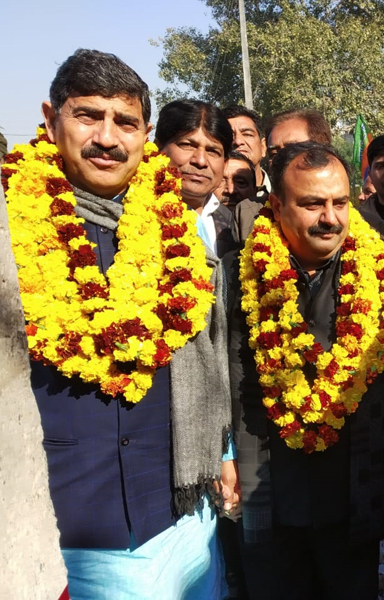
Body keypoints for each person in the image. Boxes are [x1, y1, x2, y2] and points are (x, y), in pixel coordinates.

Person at [4, 48, 237, 599]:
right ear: (49, 118)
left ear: (145, 133)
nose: (108, 138)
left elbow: (214, 346)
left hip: (183, 508)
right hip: (69, 526)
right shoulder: (12, 229)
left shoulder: (179, 232)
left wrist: (223, 456)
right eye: (88, 115)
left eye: (125, 122)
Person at [229, 141, 384, 598]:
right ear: (277, 205)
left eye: (340, 202)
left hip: (356, 485)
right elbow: (228, 376)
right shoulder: (240, 275)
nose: (331, 218)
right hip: (267, 484)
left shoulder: (381, 275)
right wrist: (225, 458)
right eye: (312, 203)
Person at [232, 108, 333, 244]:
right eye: (274, 154)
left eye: (292, 151)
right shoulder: (247, 213)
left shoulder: (342, 216)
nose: (280, 161)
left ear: (323, 153)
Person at [155, 99, 235, 260]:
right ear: (157, 149)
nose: (200, 161)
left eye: (213, 151)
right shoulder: (129, 215)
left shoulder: (233, 227)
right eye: (187, 145)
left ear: (225, 164)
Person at [223, 105, 271, 199]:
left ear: (263, 146)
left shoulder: (284, 193)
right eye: (229, 135)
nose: (238, 141)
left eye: (247, 134)